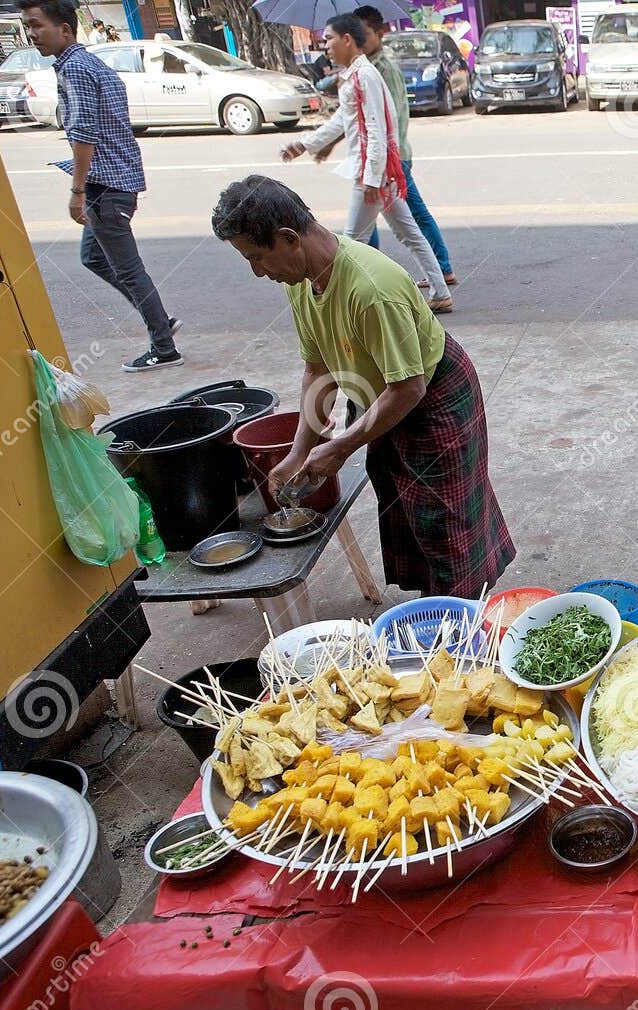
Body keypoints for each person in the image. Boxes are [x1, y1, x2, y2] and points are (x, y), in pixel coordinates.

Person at [211, 175, 512, 598]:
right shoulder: (301, 282)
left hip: (432, 395)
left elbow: (408, 388)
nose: (258, 272)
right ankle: (436, 606)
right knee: (405, 510)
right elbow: (319, 372)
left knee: (445, 519)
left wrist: (339, 446)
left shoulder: (372, 289)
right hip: (382, 397)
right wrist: (300, 451)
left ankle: (463, 623)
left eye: (257, 257)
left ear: (288, 238)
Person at [20, 0, 181, 371]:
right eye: (27, 27)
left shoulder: (75, 69)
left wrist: (76, 192)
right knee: (92, 257)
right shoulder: (89, 63)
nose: (32, 35)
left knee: (128, 269)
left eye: (36, 25)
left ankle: (164, 345)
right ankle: (160, 319)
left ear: (64, 28)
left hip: (104, 186)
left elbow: (84, 133)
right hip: (113, 182)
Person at [280, 13, 451, 313]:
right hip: (379, 171)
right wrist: (305, 145)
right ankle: (439, 290)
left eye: (330, 39)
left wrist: (372, 179)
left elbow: (376, 131)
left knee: (349, 242)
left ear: (347, 39)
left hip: (374, 173)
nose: (326, 47)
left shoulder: (364, 76)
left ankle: (339, 302)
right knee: (408, 233)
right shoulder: (357, 75)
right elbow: (342, 123)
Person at [355, 6, 458, 293]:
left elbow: (391, 120)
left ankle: (437, 271)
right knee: (391, 220)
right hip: (391, 158)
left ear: (380, 32)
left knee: (379, 223)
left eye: (364, 34)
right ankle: (440, 271)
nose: (359, 40)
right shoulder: (367, 67)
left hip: (392, 158)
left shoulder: (381, 69)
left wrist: (389, 162)